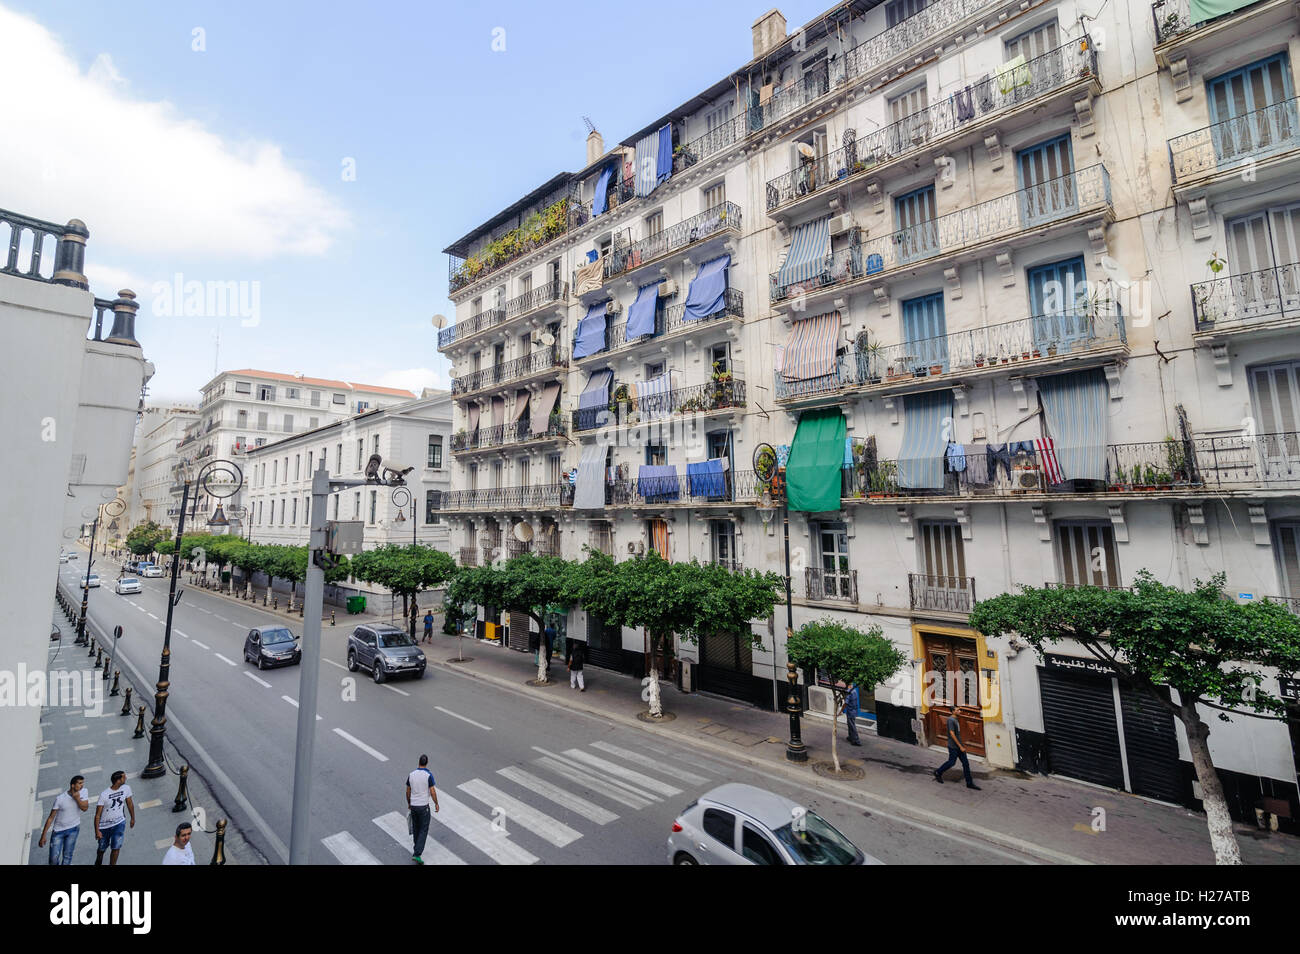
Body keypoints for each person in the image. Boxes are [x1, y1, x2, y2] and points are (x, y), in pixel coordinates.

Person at [38, 775, 88, 865]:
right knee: (53, 859)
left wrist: (77, 798)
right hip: (58, 832)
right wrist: (43, 836)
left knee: (67, 857)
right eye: (80, 783)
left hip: (73, 829)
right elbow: (50, 818)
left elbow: (85, 808)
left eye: (83, 783)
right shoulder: (60, 799)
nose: (82, 785)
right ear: (72, 785)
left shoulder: (84, 792)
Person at [94, 770, 136, 865]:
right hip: (104, 826)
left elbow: (130, 804)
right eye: (123, 777)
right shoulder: (104, 795)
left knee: (116, 847)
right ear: (118, 780)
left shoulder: (126, 788)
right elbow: (97, 815)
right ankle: (98, 861)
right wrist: (97, 831)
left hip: (119, 823)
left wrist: (133, 818)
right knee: (101, 849)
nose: (126, 778)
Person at [405, 754, 440, 865]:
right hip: (424, 807)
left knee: (416, 828)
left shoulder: (411, 775)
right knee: (424, 830)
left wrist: (409, 803)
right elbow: (433, 791)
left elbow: (407, 791)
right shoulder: (428, 775)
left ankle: (416, 849)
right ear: (427, 763)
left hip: (414, 806)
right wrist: (436, 803)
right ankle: (417, 854)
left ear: (419, 762)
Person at [933, 710, 981, 789]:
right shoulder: (951, 720)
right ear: (953, 711)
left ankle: (969, 783)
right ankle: (938, 772)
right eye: (957, 710)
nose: (960, 711)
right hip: (953, 747)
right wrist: (960, 746)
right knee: (951, 762)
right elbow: (952, 734)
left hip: (959, 746)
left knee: (966, 764)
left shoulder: (956, 719)